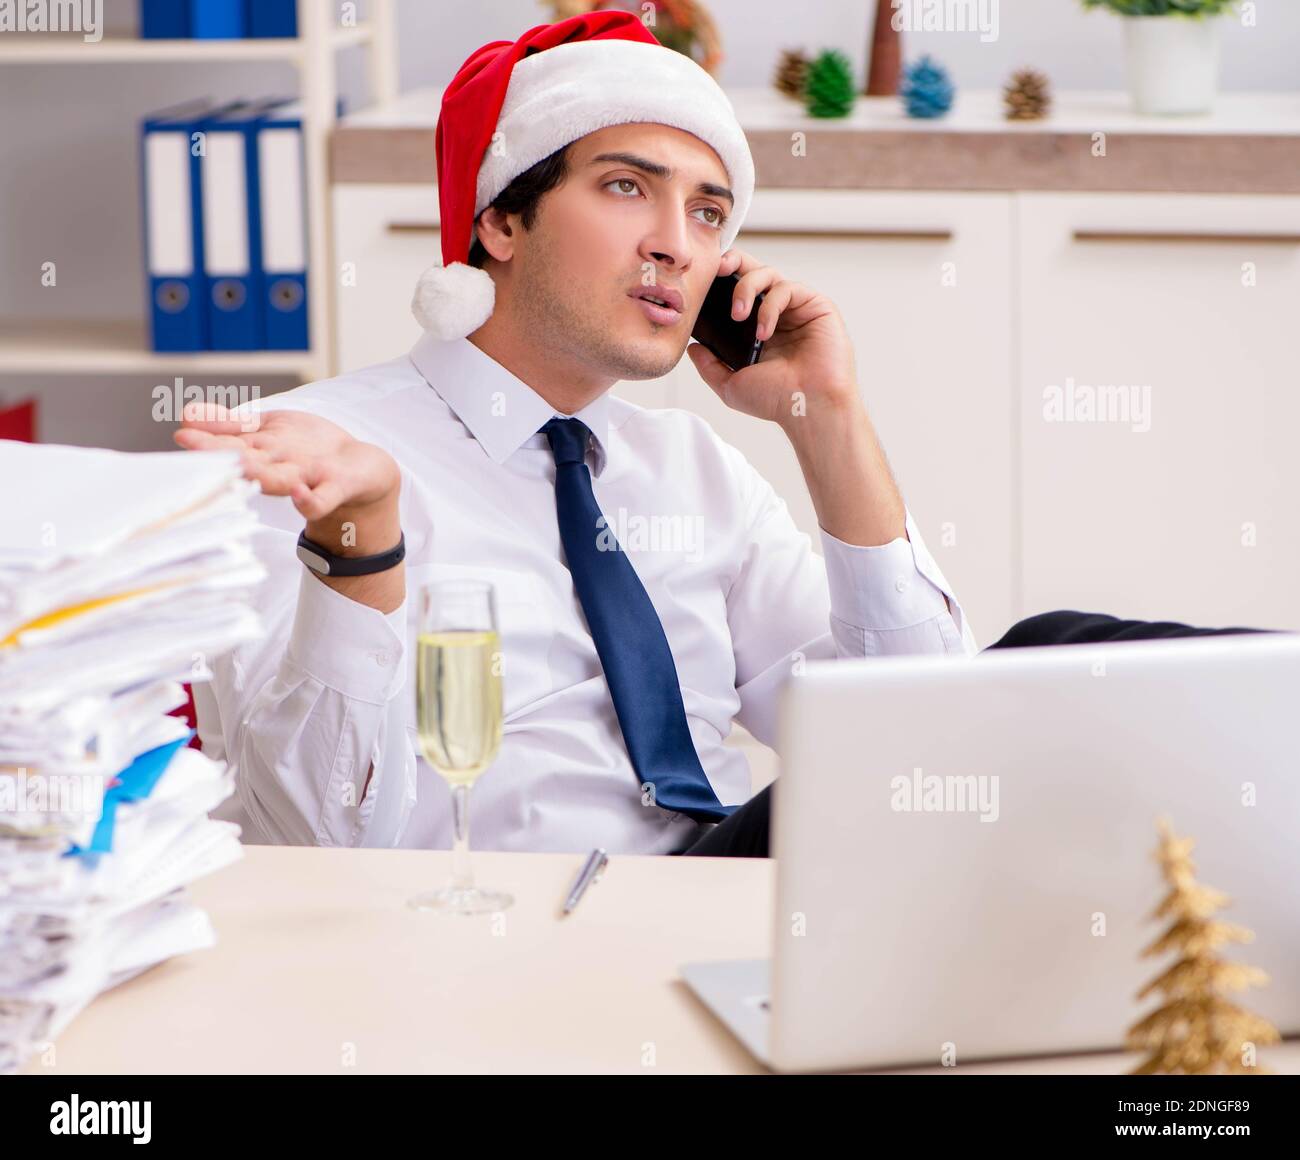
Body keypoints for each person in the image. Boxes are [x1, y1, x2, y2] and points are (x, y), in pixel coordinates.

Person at [173, 12, 1260, 859]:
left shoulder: (688, 468)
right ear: (499, 221)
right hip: (526, 930)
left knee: (1078, 659)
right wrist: (360, 552)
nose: (674, 244)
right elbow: (317, 839)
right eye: (624, 188)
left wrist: (824, 419)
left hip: (731, 906)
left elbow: (922, 742)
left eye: (705, 213)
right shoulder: (319, 457)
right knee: (1048, 663)